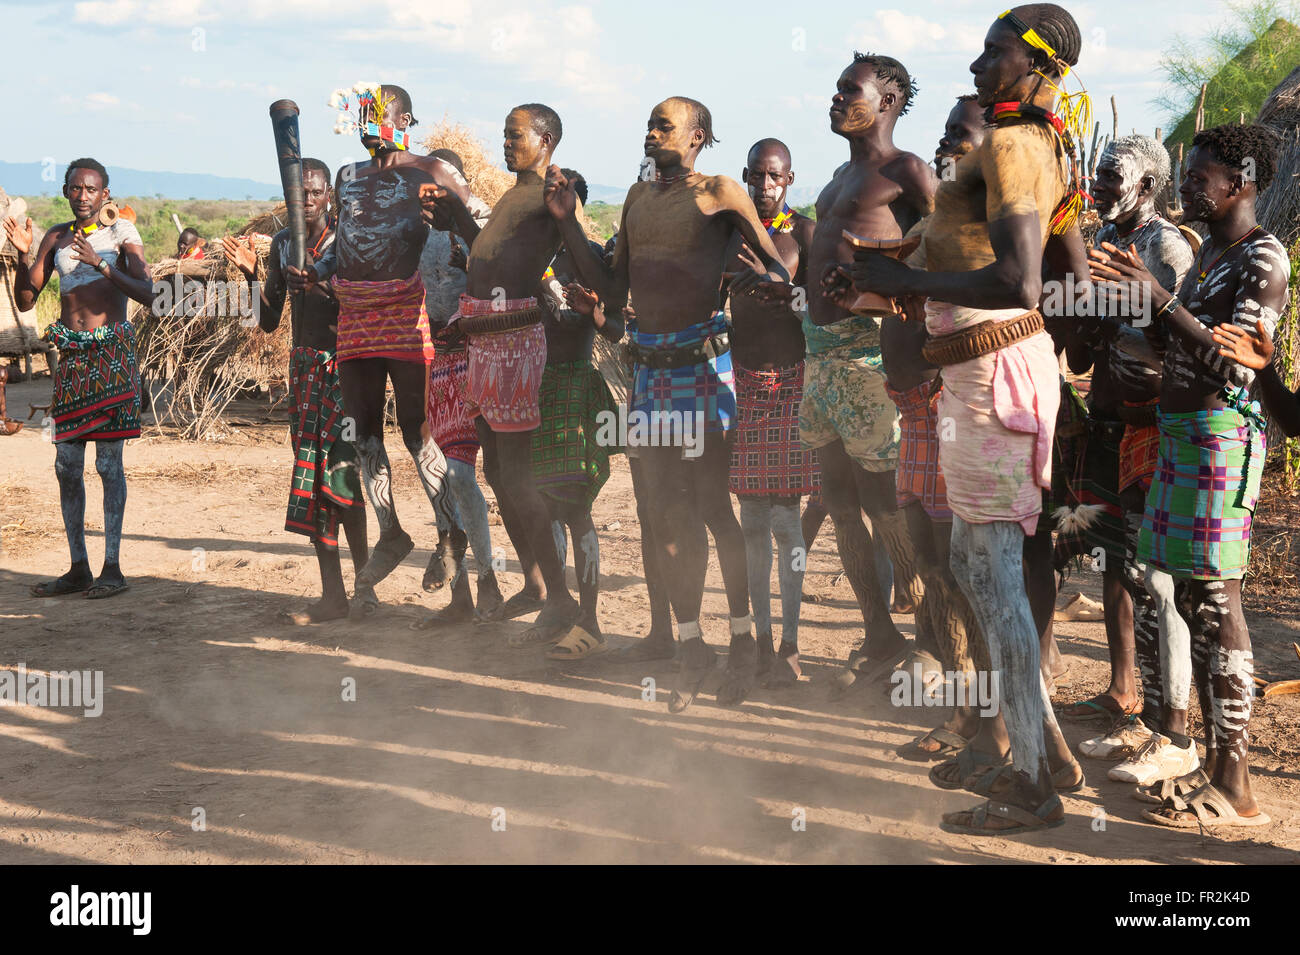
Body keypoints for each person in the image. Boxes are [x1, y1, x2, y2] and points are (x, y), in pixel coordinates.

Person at [852, 4, 1086, 833]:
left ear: (1036, 64)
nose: (979, 61)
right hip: (980, 376)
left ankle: (1031, 779)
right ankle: (1041, 751)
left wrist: (911, 288)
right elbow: (1067, 270)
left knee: (990, 578)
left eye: (995, 50)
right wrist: (888, 279)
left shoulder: (1019, 144)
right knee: (983, 573)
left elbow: (1025, 283)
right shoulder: (1022, 144)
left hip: (992, 374)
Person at [544, 96, 791, 709]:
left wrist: (759, 279)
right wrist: (568, 222)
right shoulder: (637, 199)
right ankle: (689, 646)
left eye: (665, 125)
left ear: (700, 136)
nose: (651, 132)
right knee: (665, 516)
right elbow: (611, 284)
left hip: (703, 371)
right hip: (651, 375)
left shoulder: (719, 193)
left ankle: (741, 646)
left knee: (712, 509)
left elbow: (778, 270)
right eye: (649, 123)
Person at [1092, 122, 1289, 827]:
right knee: (1176, 598)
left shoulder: (1263, 259)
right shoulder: (1210, 254)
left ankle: (1235, 783)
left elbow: (1237, 367)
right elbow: (1179, 337)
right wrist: (1135, 307)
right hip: (1178, 435)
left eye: (1200, 176)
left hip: (1219, 438)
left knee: (1215, 601)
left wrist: (1161, 300)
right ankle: (1206, 759)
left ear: (1239, 180)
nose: (1187, 187)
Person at [293, 84, 476, 614]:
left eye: (381, 113)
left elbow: (472, 229)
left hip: (404, 307)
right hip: (354, 312)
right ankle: (391, 530)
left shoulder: (432, 172)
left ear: (407, 119)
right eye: (363, 113)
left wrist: (454, 241)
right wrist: (315, 272)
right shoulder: (349, 176)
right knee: (363, 430)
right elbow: (344, 247)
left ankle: (448, 530)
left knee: (418, 429)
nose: (369, 122)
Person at [1057, 136, 1197, 791]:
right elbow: (1083, 360)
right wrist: (1082, 297)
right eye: (1099, 172)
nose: (1100, 183)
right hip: (1110, 426)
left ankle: (1176, 730)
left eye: (1113, 176)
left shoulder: (1168, 250)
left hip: (1153, 431)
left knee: (1157, 579)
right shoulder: (1106, 246)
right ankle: (1127, 699)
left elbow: (1189, 343)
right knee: (1118, 565)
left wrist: (1126, 298)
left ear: (1147, 187)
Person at [800, 52, 934, 694]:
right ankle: (879, 634)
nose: (834, 98)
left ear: (888, 100)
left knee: (890, 501)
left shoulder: (906, 170)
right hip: (819, 353)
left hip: (872, 354)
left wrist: (878, 292)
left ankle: (929, 638)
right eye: (835, 87)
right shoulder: (834, 180)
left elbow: (949, 254)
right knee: (839, 500)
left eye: (847, 89)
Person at [428, 103, 585, 647]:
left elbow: (580, 258)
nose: (504, 142)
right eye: (503, 134)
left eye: (514, 135)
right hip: (485, 341)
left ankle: (560, 597)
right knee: (497, 470)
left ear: (546, 140)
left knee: (518, 475)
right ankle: (539, 585)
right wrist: (457, 222)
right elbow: (491, 258)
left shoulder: (552, 194)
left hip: (515, 342)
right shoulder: (513, 196)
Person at [223, 158, 374, 624]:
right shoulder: (285, 243)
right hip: (305, 370)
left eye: (313, 192)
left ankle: (365, 589)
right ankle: (334, 595)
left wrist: (319, 284)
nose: (305, 200)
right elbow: (269, 321)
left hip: (347, 369)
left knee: (344, 480)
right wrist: (250, 277)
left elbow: (364, 306)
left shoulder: (352, 240)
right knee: (313, 483)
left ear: (329, 194)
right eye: (296, 192)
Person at [5, 158, 154, 599]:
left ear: (105, 194)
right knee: (66, 465)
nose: (83, 196)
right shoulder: (56, 236)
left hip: (113, 355)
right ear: (67, 192)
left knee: (109, 465)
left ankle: (112, 567)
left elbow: (147, 292)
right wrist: (22, 254)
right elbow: (27, 300)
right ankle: (77, 568)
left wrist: (103, 265)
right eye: (75, 188)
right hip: (70, 360)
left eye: (92, 189)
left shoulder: (122, 233)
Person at [723, 138, 817, 686]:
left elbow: (825, 304)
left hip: (790, 382)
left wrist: (789, 296)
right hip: (739, 383)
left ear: (789, 178)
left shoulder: (804, 234)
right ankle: (759, 639)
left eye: (775, 177)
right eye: (756, 177)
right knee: (751, 520)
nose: (765, 187)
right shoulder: (728, 236)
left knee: (786, 520)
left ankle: (790, 644)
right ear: (745, 176)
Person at [412, 148, 505, 627]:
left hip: (482, 360)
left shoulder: (483, 221)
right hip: (440, 364)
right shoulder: (418, 231)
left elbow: (500, 284)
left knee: (488, 478)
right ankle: (468, 592)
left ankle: (503, 584)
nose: (429, 193)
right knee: (449, 477)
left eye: (437, 183)